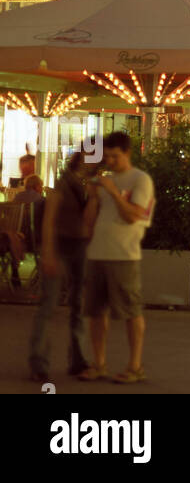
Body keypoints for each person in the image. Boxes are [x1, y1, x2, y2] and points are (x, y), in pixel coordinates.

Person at [79, 132, 155, 384]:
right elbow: (88, 223)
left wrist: (112, 192)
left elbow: (134, 215)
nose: (110, 161)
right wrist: (92, 196)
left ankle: (135, 365)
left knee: (131, 310)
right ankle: (98, 363)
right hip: (98, 253)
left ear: (127, 153)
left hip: (124, 255)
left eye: (115, 156)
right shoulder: (106, 181)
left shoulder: (140, 180)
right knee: (95, 311)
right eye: (107, 156)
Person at [29, 151, 95, 381]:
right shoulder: (63, 183)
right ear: (80, 159)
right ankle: (39, 362)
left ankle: (77, 360)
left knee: (78, 305)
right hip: (60, 245)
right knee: (50, 304)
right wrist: (48, 252)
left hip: (81, 247)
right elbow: (49, 218)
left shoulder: (90, 185)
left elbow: (89, 220)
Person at [10, 174, 45, 283]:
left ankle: (14, 271)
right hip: (33, 238)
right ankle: (40, 275)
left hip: (14, 239)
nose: (42, 188)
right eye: (41, 186)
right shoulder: (41, 199)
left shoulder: (17, 197)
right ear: (36, 186)